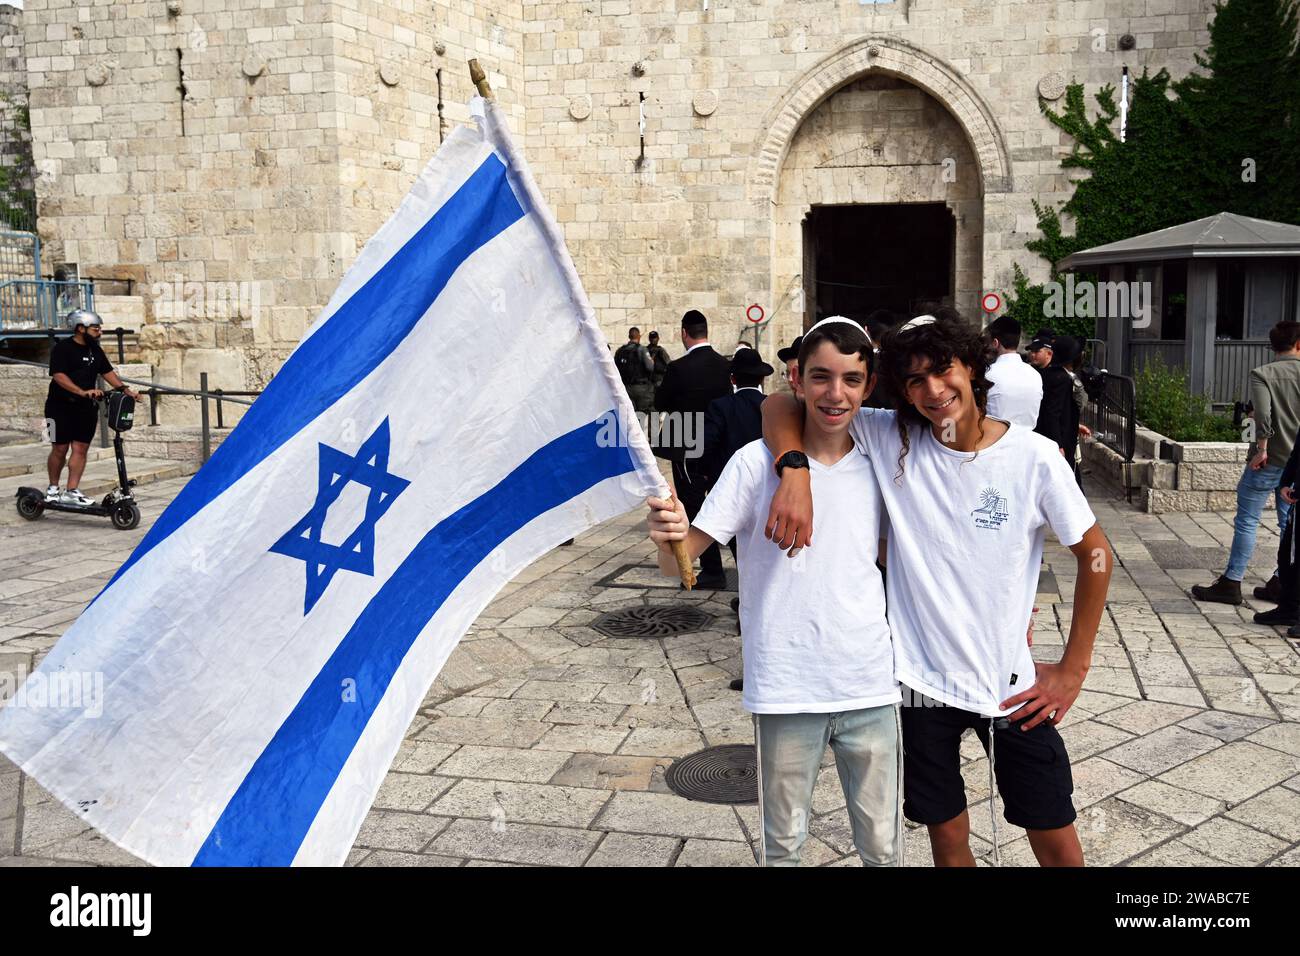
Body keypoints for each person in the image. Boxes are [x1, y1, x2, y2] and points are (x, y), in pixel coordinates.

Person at [760, 310, 1113, 867]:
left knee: (1055, 837)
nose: (933, 389)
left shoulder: (1035, 458)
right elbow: (779, 403)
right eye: (914, 379)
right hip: (920, 687)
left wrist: (1073, 667)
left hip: (1010, 686)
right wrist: (795, 469)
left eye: (942, 370)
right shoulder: (892, 436)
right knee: (947, 840)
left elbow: (1096, 557)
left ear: (972, 366)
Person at [647, 319, 900, 867]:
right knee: (783, 845)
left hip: (869, 681)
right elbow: (682, 565)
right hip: (787, 685)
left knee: (883, 845)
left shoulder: (883, 460)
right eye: (821, 378)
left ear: (868, 386)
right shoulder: (751, 465)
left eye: (851, 380)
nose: (836, 394)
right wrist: (670, 537)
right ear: (798, 380)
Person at [1192, 320, 1300, 608]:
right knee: (1288, 524)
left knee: (1248, 521)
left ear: (1273, 346)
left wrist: (1261, 448)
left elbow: (1263, 415)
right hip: (1296, 465)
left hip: (1269, 461)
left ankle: (1232, 582)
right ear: (1298, 345)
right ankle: (1281, 580)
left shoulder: (1263, 374)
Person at [654, 310, 733, 590]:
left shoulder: (678, 368)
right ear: (706, 331)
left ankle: (712, 569)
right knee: (725, 502)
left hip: (686, 445)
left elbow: (661, 403)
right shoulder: (724, 366)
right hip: (719, 446)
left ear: (684, 333)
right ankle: (743, 564)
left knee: (693, 505)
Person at [44, 309, 140, 506]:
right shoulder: (62, 349)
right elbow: (58, 376)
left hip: (86, 408)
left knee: (80, 448)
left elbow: (107, 372)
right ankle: (53, 488)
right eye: (96, 329)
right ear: (80, 328)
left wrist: (125, 390)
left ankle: (71, 491)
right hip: (58, 407)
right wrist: (81, 391)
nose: (100, 332)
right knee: (59, 449)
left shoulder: (95, 350)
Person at [983, 316, 1042, 427]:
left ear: (995, 343)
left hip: (996, 441)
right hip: (1028, 441)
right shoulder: (1035, 375)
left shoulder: (988, 374)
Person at [1035, 335, 1082, 463]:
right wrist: (1058, 445)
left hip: (1051, 437)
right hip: (1059, 441)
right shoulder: (1061, 379)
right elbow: (1052, 413)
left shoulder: (1050, 374)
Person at [614, 326, 655, 416]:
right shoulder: (642, 349)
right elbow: (650, 367)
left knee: (629, 416)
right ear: (639, 337)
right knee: (645, 415)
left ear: (629, 336)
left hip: (626, 388)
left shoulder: (620, 351)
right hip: (642, 389)